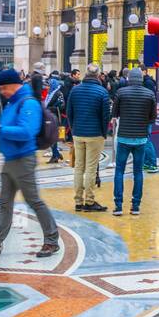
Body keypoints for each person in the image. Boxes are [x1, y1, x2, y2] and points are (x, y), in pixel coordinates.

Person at [0, 69, 60, 258]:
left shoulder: (28, 102)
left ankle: (52, 240)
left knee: (33, 200)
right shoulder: (13, 102)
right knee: (4, 203)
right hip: (10, 159)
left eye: (4, 87)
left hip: (23, 159)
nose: (2, 91)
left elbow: (27, 131)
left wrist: (0, 129)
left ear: (14, 84)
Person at [110, 68, 158, 216]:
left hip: (124, 137)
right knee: (138, 172)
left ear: (129, 78)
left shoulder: (121, 93)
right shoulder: (149, 94)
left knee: (119, 171)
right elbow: (152, 117)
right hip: (140, 138)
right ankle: (135, 206)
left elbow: (115, 113)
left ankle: (118, 206)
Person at [66, 65, 111, 212]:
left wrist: (73, 129)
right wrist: (104, 132)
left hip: (78, 133)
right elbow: (105, 116)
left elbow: (69, 111)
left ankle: (78, 201)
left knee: (79, 167)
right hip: (95, 134)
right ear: (98, 75)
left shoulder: (75, 90)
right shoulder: (102, 92)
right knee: (91, 168)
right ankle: (89, 201)